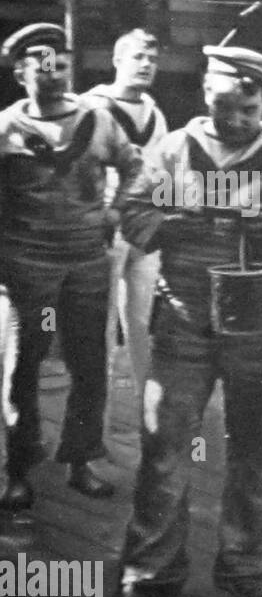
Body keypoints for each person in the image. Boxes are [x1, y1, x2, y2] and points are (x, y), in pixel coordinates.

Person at [100, 46, 262, 597]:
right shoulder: (174, 148)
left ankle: (246, 566)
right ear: (206, 93)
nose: (235, 119)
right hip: (182, 318)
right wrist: (175, 221)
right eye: (224, 104)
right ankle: (150, 575)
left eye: (248, 107)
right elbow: (130, 212)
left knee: (253, 449)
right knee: (163, 446)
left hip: (256, 322)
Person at [0, 22, 148, 511]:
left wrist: (116, 210)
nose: (54, 72)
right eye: (41, 63)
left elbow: (134, 166)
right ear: (20, 72)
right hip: (28, 263)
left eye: (61, 62)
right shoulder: (6, 128)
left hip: (86, 261)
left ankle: (81, 460)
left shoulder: (98, 121)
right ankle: (19, 467)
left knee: (90, 365)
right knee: (26, 364)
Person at [82, 28, 170, 403]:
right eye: (138, 57)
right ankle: (93, 413)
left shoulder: (156, 113)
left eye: (152, 59)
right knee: (99, 325)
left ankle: (145, 414)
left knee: (143, 322)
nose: (146, 65)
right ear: (117, 61)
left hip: (144, 228)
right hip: (105, 226)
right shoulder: (90, 106)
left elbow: (160, 170)